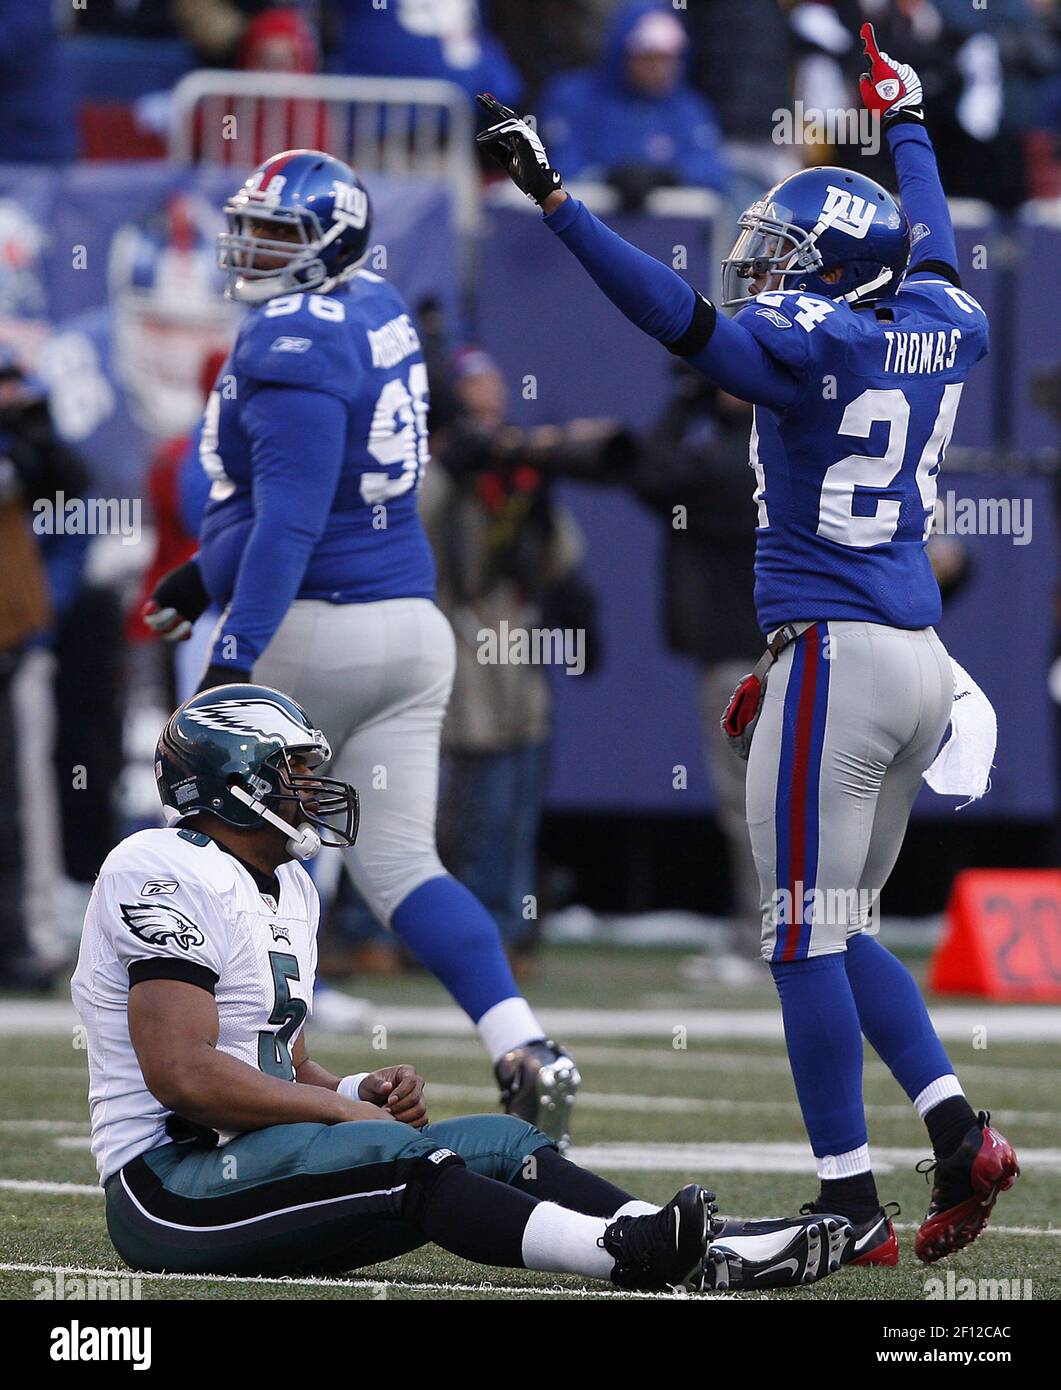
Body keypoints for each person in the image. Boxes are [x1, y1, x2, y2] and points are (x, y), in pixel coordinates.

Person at [476, 22, 1020, 1267]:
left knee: (795, 934)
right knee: (844, 923)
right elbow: (932, 237)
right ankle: (956, 1132)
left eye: (785, 259)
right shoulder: (940, 317)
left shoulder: (812, 346)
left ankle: (846, 1197)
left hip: (834, 651)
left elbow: (675, 319)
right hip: (917, 660)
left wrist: (559, 206)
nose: (766, 277)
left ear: (836, 271)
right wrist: (908, 122)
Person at [71, 683, 852, 1290]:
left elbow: (280, 1062)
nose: (313, 786)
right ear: (234, 782)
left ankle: (708, 1247)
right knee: (387, 1149)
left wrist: (353, 1087)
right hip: (172, 1190)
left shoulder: (293, 887)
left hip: (262, 1154)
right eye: (294, 770)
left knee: (501, 1141)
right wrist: (339, 1111)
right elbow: (184, 1074)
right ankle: (623, 1253)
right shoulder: (160, 866)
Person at [140, 149, 580, 1145]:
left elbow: (290, 519)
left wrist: (230, 657)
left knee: (201, 853)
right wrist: (200, 576)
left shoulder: (288, 340)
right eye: (251, 227)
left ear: (328, 243)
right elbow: (320, 497)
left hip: (312, 624)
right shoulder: (376, 306)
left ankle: (221, 1068)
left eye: (276, 233)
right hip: (409, 629)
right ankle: (522, 1043)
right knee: (400, 867)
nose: (250, 247)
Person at [538, 0, 730, 205]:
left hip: (666, 226)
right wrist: (609, 178)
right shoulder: (572, 97)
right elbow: (557, 165)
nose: (660, 69)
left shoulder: (690, 108)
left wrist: (668, 177)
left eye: (668, 58)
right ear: (623, 53)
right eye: (649, 58)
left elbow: (713, 172)